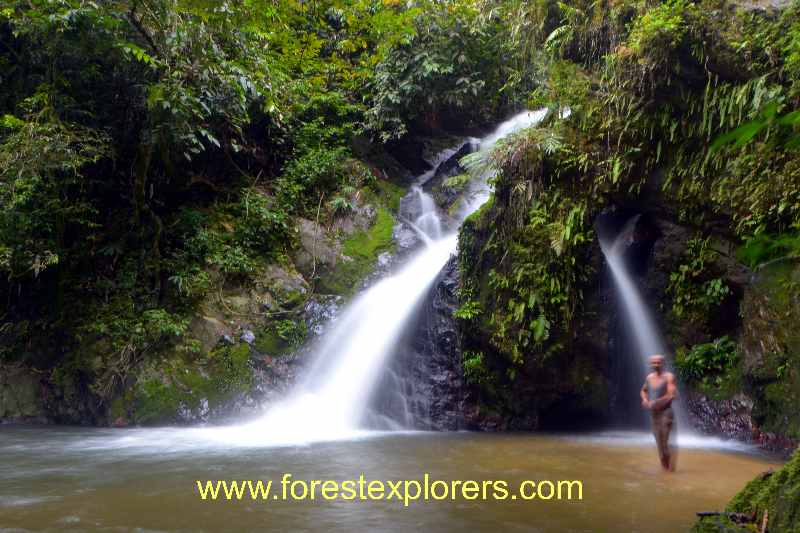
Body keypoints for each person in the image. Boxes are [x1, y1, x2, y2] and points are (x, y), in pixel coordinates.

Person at [640, 354, 678, 471]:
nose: (656, 364)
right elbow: (643, 390)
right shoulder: (649, 377)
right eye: (653, 362)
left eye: (658, 362)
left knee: (665, 443)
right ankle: (665, 471)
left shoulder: (669, 377)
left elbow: (671, 394)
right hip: (654, 414)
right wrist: (645, 400)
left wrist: (655, 402)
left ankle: (670, 469)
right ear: (651, 364)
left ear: (663, 363)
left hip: (666, 413)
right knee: (659, 446)